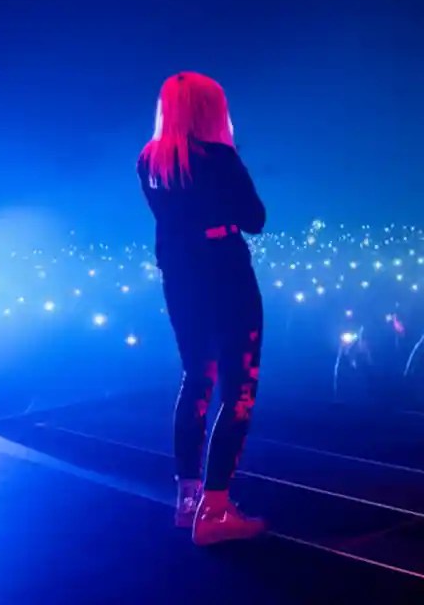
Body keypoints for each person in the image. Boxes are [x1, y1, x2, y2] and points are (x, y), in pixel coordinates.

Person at [138, 72, 267, 546]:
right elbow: (255, 219)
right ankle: (216, 508)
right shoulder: (220, 158)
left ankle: (188, 499)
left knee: (196, 379)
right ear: (210, 110)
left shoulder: (148, 162)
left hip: (181, 282)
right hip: (227, 277)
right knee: (239, 390)